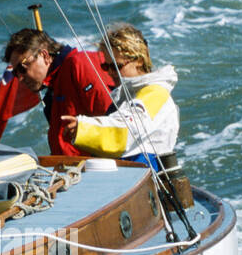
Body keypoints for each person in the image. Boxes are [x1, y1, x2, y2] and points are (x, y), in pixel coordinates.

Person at [59, 23, 178, 170]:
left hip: (148, 175)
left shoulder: (155, 94)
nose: (110, 73)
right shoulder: (126, 94)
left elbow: (127, 130)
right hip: (130, 171)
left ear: (139, 61)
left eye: (117, 66)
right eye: (106, 67)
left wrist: (83, 129)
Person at [0, 29, 116, 156]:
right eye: (15, 73)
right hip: (70, 170)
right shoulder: (54, 88)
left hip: (96, 170)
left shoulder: (79, 65)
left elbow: (114, 122)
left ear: (45, 55)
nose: (20, 78)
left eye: (22, 68)